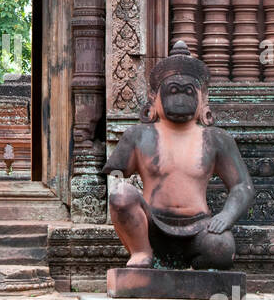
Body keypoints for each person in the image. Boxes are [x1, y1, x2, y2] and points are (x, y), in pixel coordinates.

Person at [102, 40, 253, 270]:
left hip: (200, 228)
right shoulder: (138, 135)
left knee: (222, 248)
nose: (180, 97)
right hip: (151, 225)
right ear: (154, 97)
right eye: (173, 90)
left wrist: (227, 216)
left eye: (188, 91)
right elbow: (115, 174)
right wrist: (120, 188)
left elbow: (242, 186)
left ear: (202, 98)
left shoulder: (216, 139)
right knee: (121, 195)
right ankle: (142, 253)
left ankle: (191, 270)